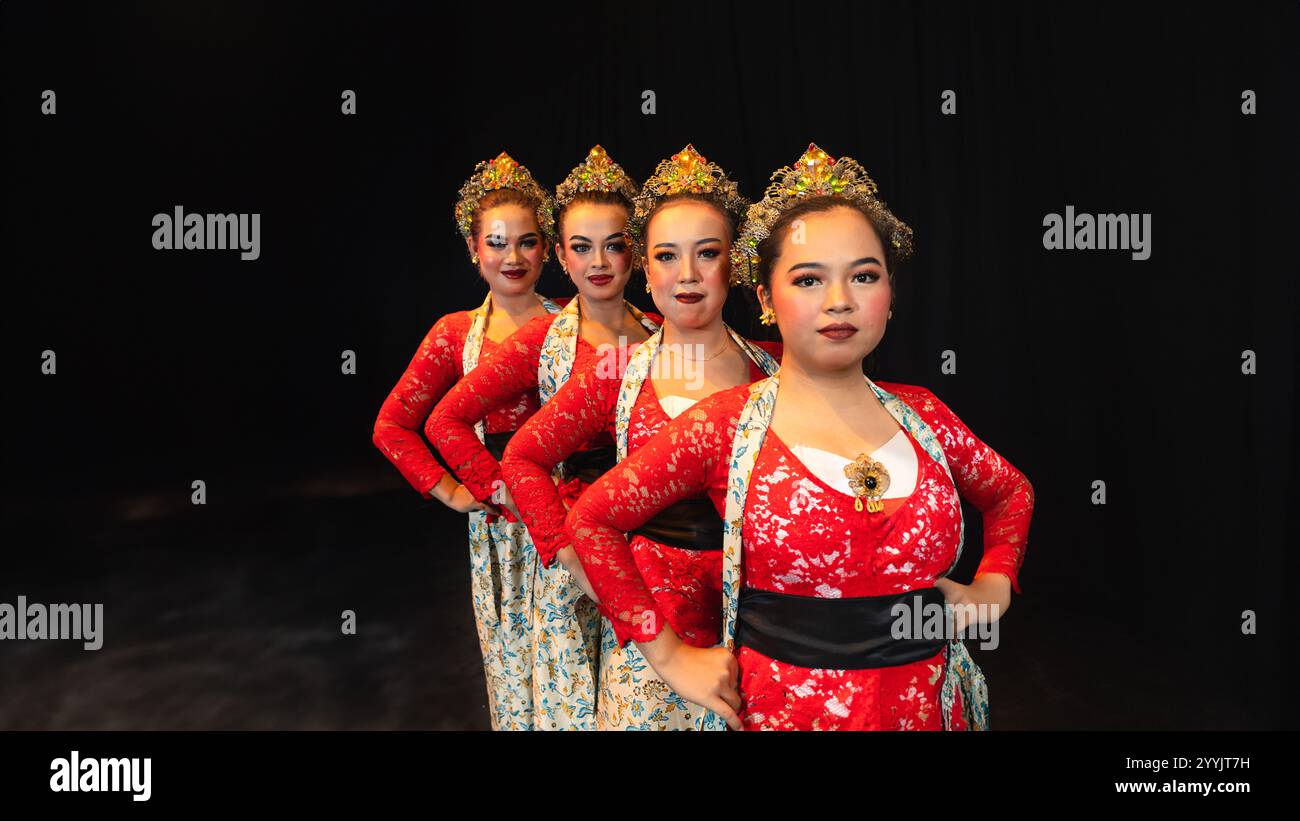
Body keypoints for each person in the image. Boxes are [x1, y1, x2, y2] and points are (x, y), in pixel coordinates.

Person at [566, 144, 1034, 730]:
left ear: (890, 295)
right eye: (809, 279)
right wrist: (669, 656)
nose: (840, 302)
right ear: (764, 298)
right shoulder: (726, 425)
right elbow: (592, 519)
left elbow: (1012, 492)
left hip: (930, 710)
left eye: (864, 275)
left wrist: (995, 583)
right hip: (784, 712)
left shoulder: (925, 416)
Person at [502, 145, 780, 730]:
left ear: (735, 264)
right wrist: (578, 560)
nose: (687, 276)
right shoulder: (618, 371)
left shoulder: (776, 371)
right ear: (646, 269)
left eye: (707, 254)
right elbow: (522, 457)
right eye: (666, 256)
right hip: (655, 637)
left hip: (757, 625)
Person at [427, 146, 659, 729]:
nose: (599, 262)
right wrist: (480, 490)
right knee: (566, 696)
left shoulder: (663, 333)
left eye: (615, 245)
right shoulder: (542, 336)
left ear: (640, 252)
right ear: (563, 254)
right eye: (581, 247)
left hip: (650, 537)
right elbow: (442, 420)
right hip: (567, 539)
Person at [372, 151, 563, 730]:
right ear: (473, 249)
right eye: (498, 243)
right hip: (502, 528)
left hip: (570, 509)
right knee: (514, 678)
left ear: (547, 248)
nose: (513, 257)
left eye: (527, 242)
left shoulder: (579, 320)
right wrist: (454, 491)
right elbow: (392, 426)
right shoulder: (454, 333)